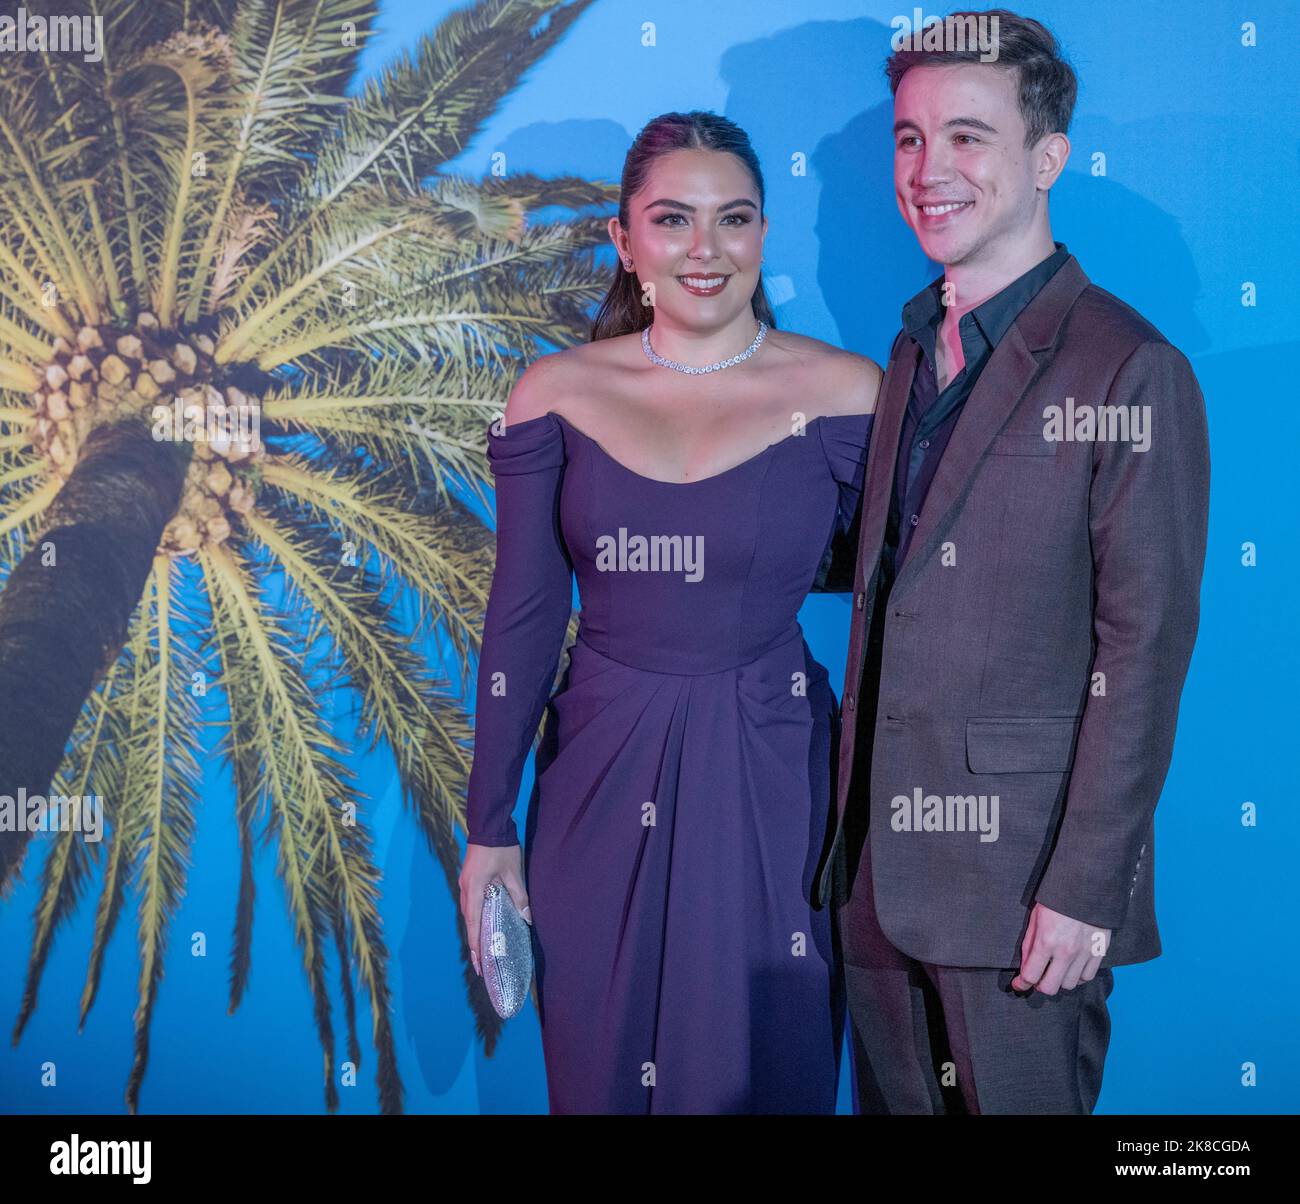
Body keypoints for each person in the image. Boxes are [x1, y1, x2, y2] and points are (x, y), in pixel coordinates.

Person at [822, 11, 1209, 1114]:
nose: (927, 170)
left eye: (966, 137)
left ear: (1047, 157)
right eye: (908, 138)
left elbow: (1145, 650)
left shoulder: (1129, 368)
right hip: (874, 881)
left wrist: (1087, 889)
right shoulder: (907, 348)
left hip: (1023, 896)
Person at [459, 111, 880, 1114]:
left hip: (775, 772)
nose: (706, 249)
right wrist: (489, 825)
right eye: (672, 219)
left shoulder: (846, 392)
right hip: (598, 775)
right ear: (623, 239)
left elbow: (910, 600)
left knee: (763, 1065)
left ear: (763, 235)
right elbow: (520, 617)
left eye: (733, 218)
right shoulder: (552, 392)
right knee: (603, 1067)